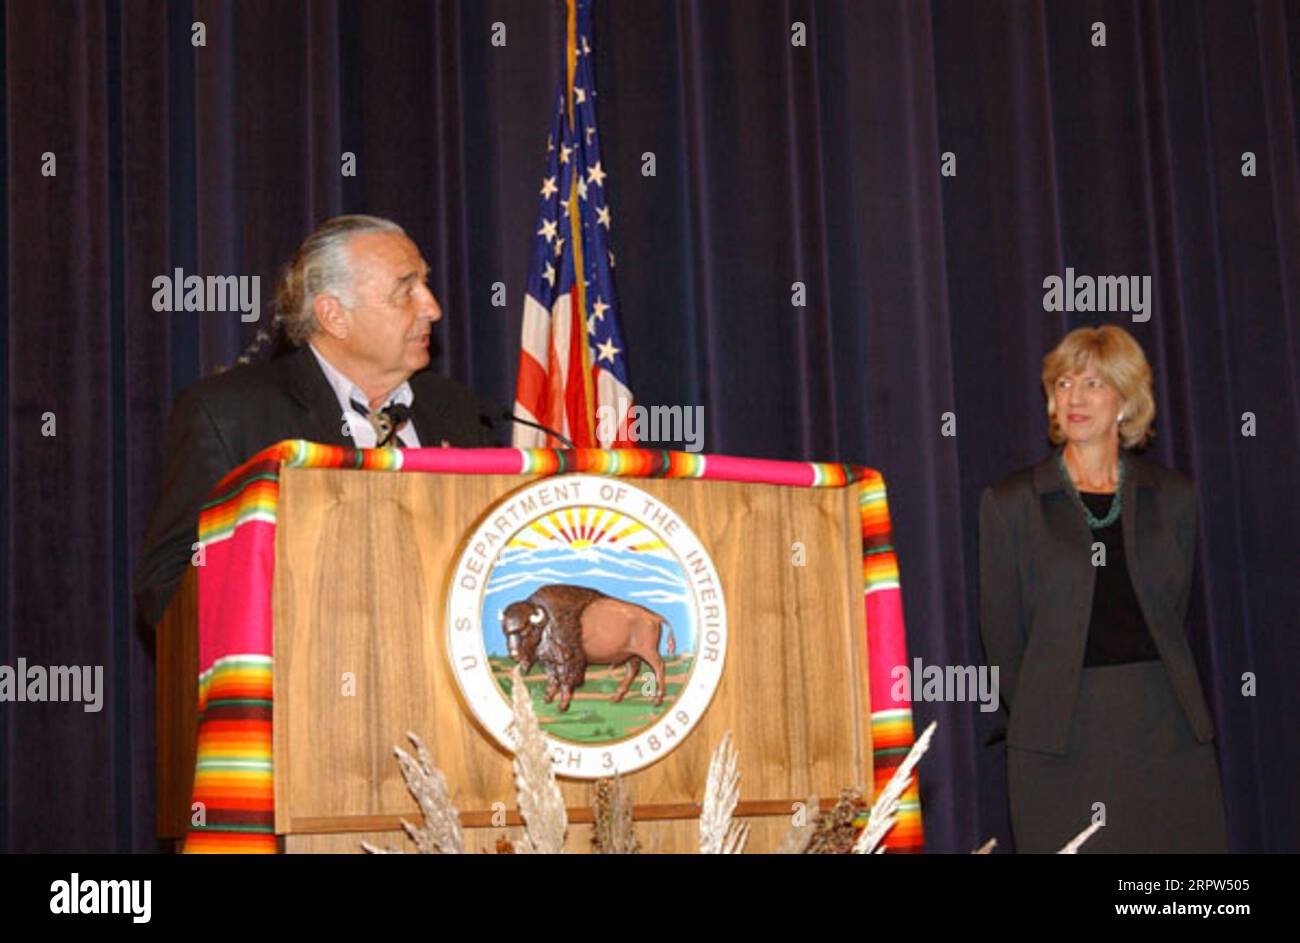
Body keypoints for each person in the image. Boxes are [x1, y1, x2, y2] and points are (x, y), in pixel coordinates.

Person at [134, 215, 497, 626]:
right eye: (405, 291)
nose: (432, 307)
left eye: (425, 286)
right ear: (333, 316)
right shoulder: (231, 414)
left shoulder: (460, 411)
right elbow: (167, 585)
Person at [978, 324, 1228, 853]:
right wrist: (1042, 714)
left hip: (1166, 730)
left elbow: (1172, 611)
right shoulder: (1010, 503)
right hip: (1059, 740)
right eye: (1064, 384)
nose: (1075, 397)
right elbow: (1002, 638)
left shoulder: (1175, 497)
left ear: (1125, 400)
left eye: (1093, 384)